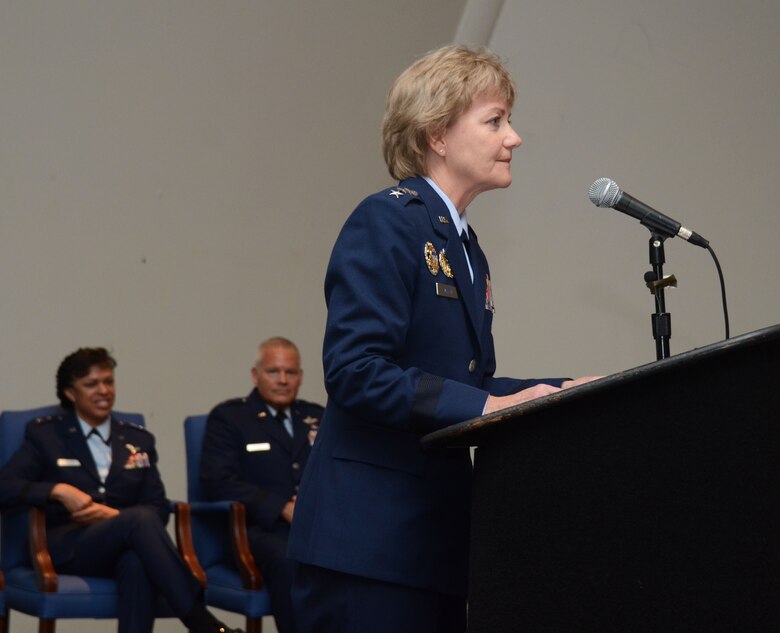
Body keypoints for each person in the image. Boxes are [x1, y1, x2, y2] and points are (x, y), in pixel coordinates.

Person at [286, 45, 598, 633]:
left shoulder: (464, 246)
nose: (515, 138)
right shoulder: (386, 221)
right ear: (437, 134)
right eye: (495, 120)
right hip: (369, 550)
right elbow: (355, 370)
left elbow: (465, 386)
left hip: (429, 548)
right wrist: (489, 404)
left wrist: (562, 391)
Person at [0, 347, 242, 633]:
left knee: (137, 561)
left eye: (109, 381)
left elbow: (157, 506)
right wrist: (59, 490)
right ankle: (202, 622)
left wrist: (112, 516)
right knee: (137, 521)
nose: (103, 390)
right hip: (67, 546)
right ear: (70, 393)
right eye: (91, 384)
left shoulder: (138, 439)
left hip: (125, 542)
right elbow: (6, 487)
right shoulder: (46, 435)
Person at [200, 337, 324, 633]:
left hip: (315, 527)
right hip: (256, 531)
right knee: (289, 558)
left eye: (291, 373)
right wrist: (280, 507)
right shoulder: (231, 417)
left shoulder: (318, 416)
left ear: (301, 377)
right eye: (273, 372)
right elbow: (217, 481)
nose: (283, 380)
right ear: (256, 375)